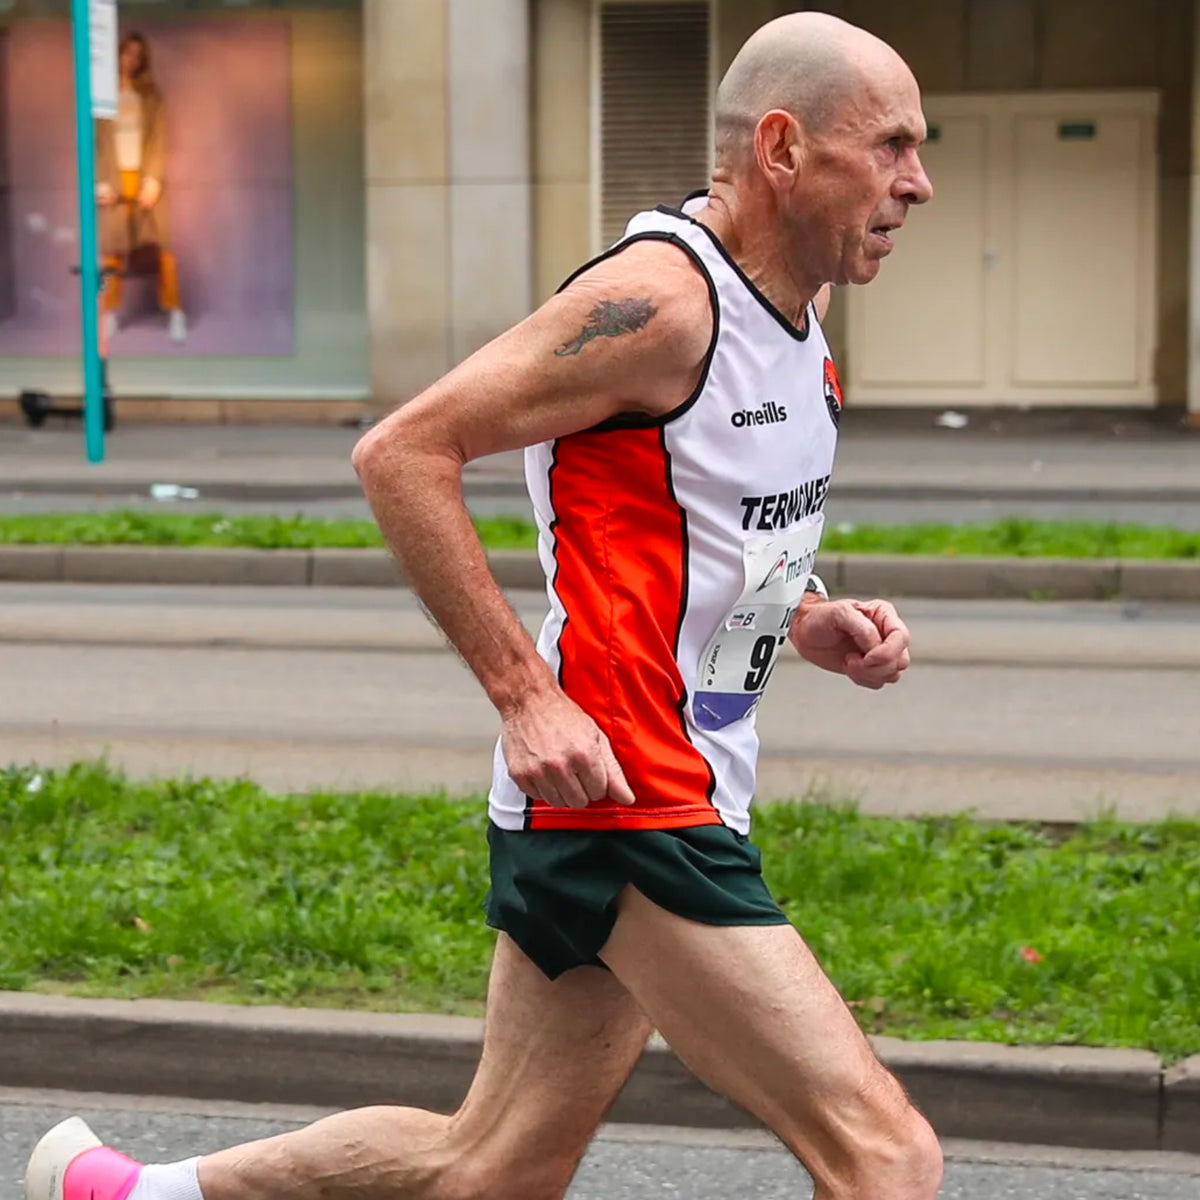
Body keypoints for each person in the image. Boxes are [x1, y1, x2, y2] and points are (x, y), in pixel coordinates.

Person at [26, 12, 936, 1200]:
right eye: (891, 146)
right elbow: (403, 453)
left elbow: (696, 521)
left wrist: (806, 614)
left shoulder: (795, 325)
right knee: (885, 1156)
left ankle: (131, 1195)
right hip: (627, 796)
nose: (917, 183)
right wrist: (524, 697)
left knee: (493, 1163)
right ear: (781, 148)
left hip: (661, 784)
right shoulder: (662, 304)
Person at [95, 32, 188, 344]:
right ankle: (110, 314)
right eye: (127, 53)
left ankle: (175, 312)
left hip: (145, 178)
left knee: (163, 250)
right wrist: (100, 182)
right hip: (114, 178)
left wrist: (153, 180)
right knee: (112, 251)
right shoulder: (102, 97)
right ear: (118, 55)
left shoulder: (151, 94)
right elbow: (95, 142)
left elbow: (160, 139)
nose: (132, 60)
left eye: (138, 55)